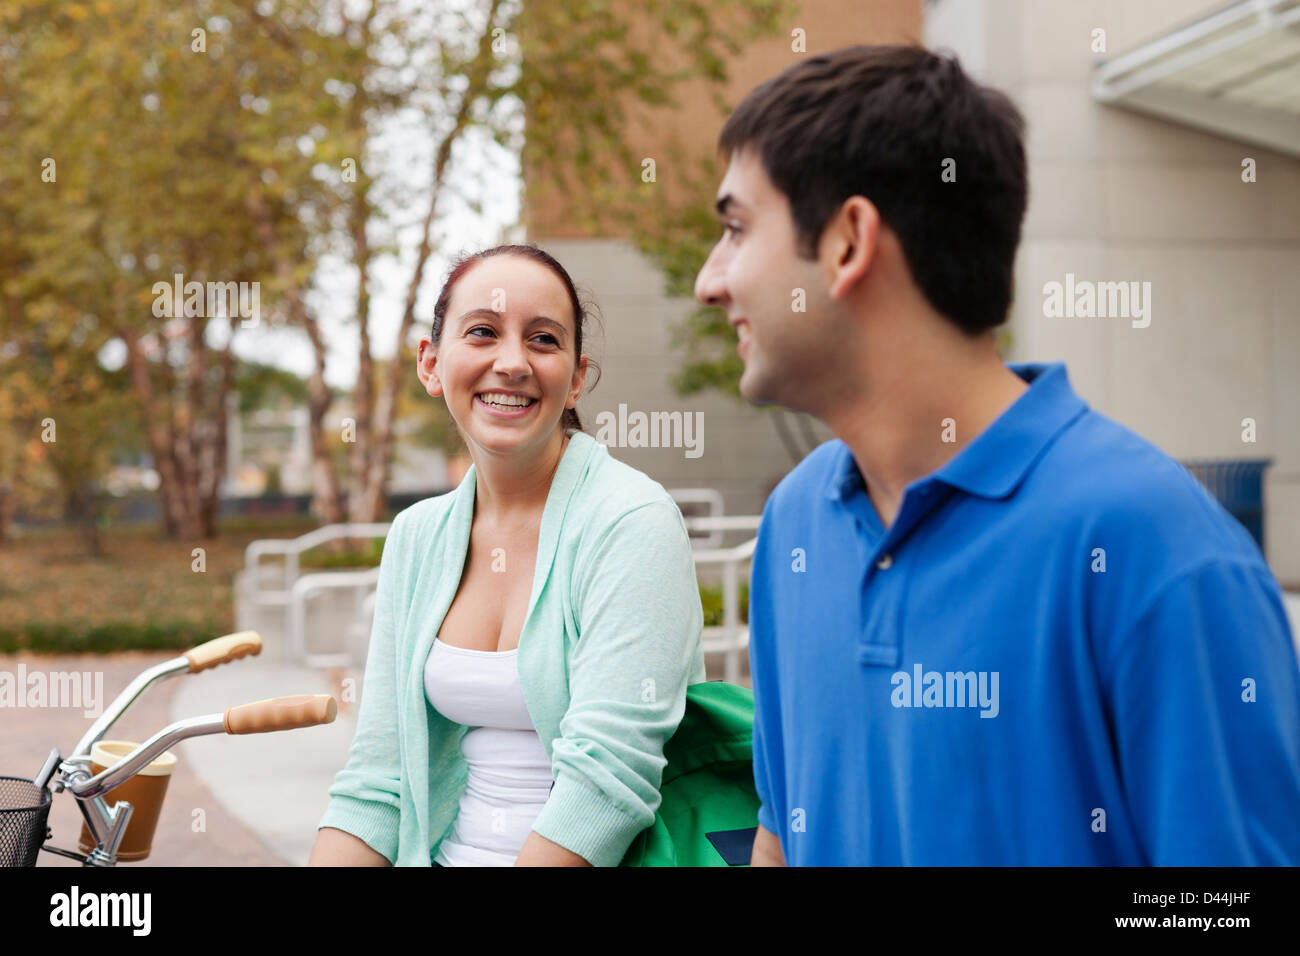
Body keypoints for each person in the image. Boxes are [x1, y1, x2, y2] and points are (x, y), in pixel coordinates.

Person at [693, 44, 1300, 866]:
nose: (710, 279)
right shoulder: (795, 523)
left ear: (848, 242)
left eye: (735, 228)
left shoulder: (1159, 549)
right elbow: (781, 830)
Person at [310, 244, 705, 867]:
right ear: (432, 363)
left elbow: (605, 788)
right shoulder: (416, 537)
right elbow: (377, 782)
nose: (513, 363)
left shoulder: (632, 523)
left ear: (576, 377)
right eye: (483, 333)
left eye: (544, 340)